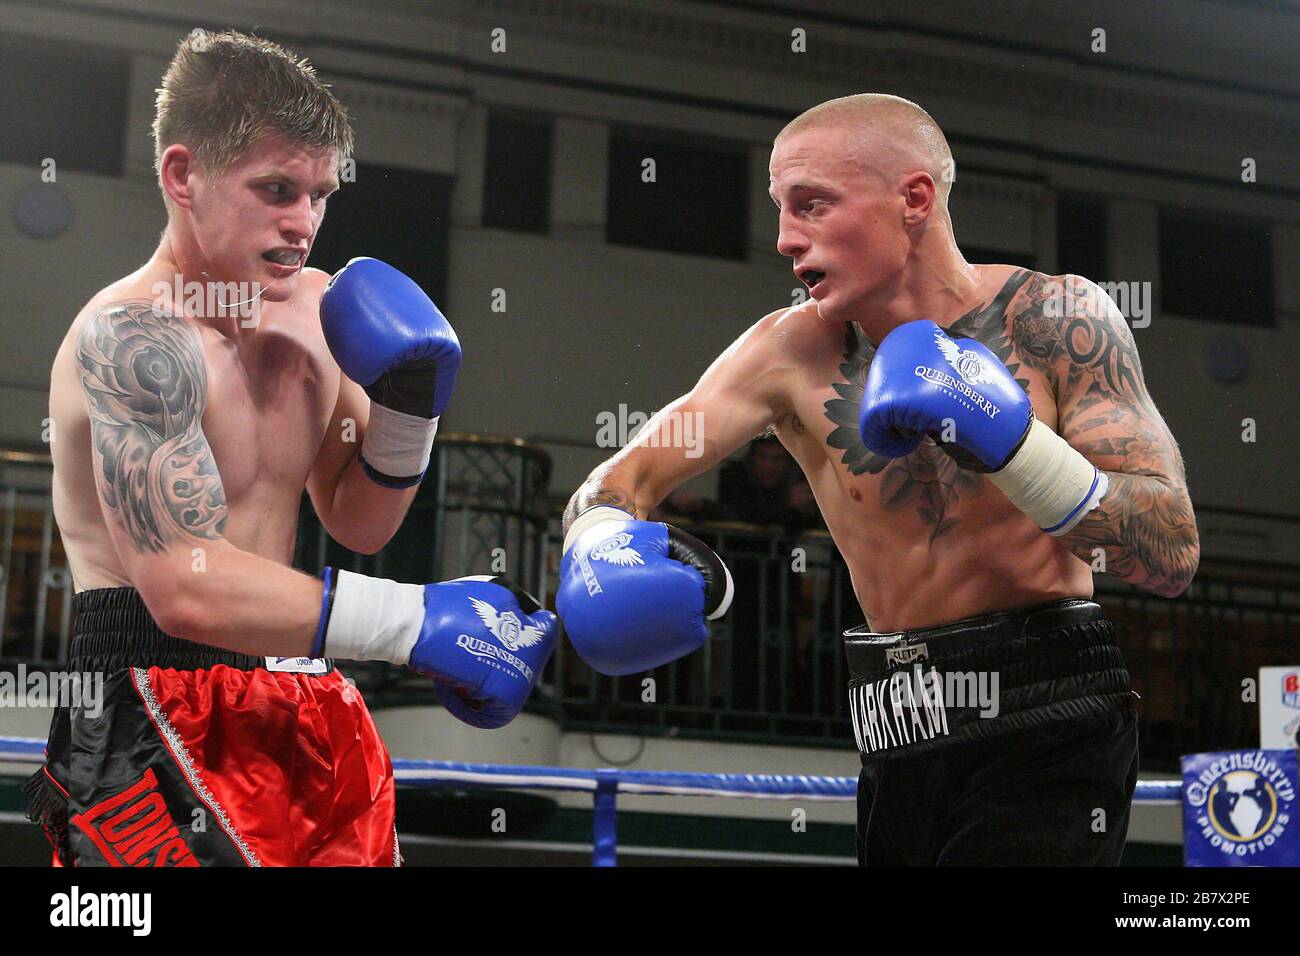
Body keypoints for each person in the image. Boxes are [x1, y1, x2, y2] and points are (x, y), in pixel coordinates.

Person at [555, 93, 1199, 865]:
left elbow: (1169, 552)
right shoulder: (787, 353)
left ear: (914, 199)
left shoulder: (1057, 320)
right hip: (896, 729)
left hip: (1047, 714)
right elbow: (616, 482)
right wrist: (597, 540)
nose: (788, 239)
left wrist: (1013, 443)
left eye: (813, 205)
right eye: (781, 209)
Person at [25, 30, 557, 868]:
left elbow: (360, 521)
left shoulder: (319, 309)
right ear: (181, 175)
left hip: (298, 692)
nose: (303, 221)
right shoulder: (129, 340)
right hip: (146, 704)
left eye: (319, 193)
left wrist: (406, 414)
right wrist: (417, 622)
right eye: (276, 189)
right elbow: (185, 591)